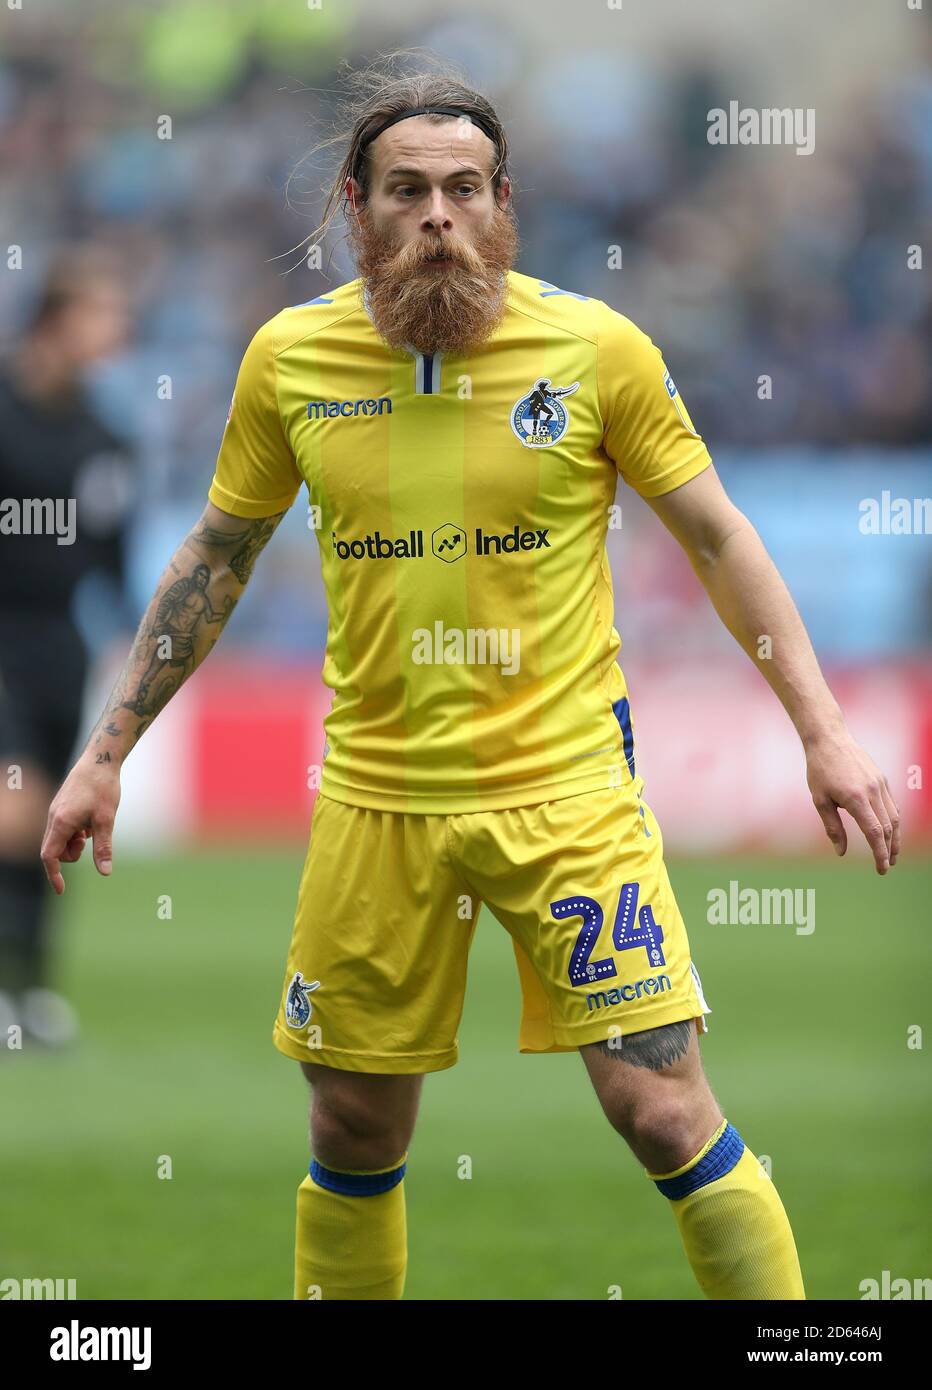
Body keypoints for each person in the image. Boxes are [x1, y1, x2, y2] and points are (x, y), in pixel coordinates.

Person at [40, 62, 900, 1300]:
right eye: (406, 190)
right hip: (374, 806)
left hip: (567, 795)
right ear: (356, 205)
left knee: (662, 1112)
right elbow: (215, 557)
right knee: (351, 1131)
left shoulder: (596, 351)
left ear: (504, 202)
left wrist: (821, 731)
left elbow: (716, 536)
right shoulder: (288, 360)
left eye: (461, 188)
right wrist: (107, 751)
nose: (436, 214)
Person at [0, 245, 134, 1047]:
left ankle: (35, 995)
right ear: (58, 319)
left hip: (61, 646)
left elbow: (113, 557)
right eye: (103, 313)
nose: (116, 331)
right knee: (12, 812)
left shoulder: (103, 436)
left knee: (57, 820)